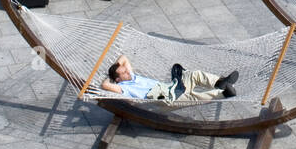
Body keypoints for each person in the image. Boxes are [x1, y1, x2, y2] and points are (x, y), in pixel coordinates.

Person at [100, 54, 238, 103]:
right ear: (118, 80)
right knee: (191, 97)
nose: (127, 72)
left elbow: (123, 57)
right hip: (163, 99)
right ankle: (223, 93)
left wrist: (117, 68)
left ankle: (220, 82)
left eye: (125, 70)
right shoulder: (123, 87)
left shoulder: (132, 77)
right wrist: (111, 77)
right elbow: (105, 85)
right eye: (123, 73)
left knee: (193, 74)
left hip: (171, 87)